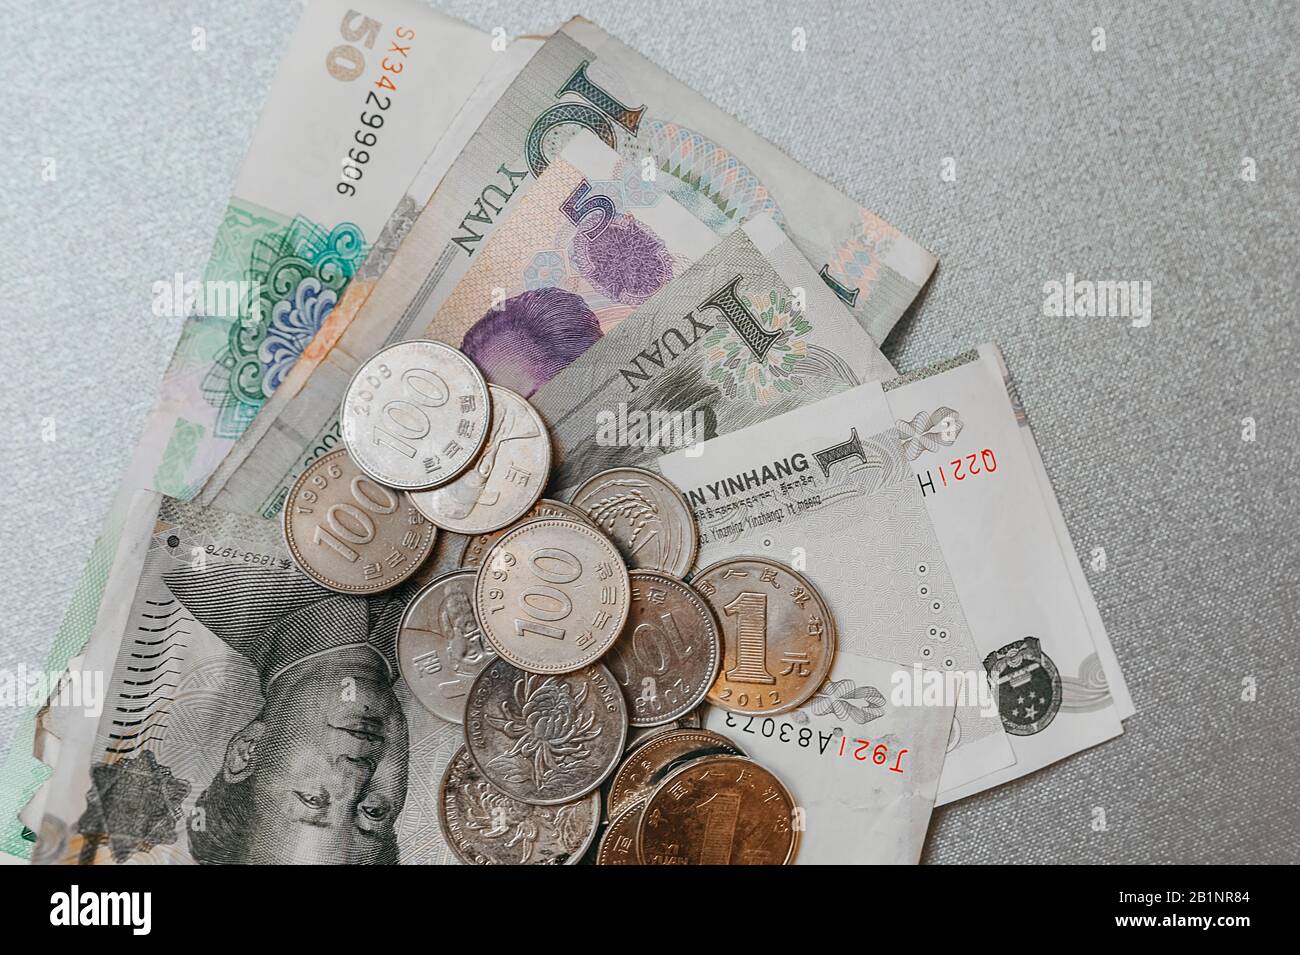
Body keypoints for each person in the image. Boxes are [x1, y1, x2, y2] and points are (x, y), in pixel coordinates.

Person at [163, 564, 414, 864]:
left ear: (248, 751)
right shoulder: (459, 640)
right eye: (373, 812)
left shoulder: (207, 578)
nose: (355, 773)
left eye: (312, 799)